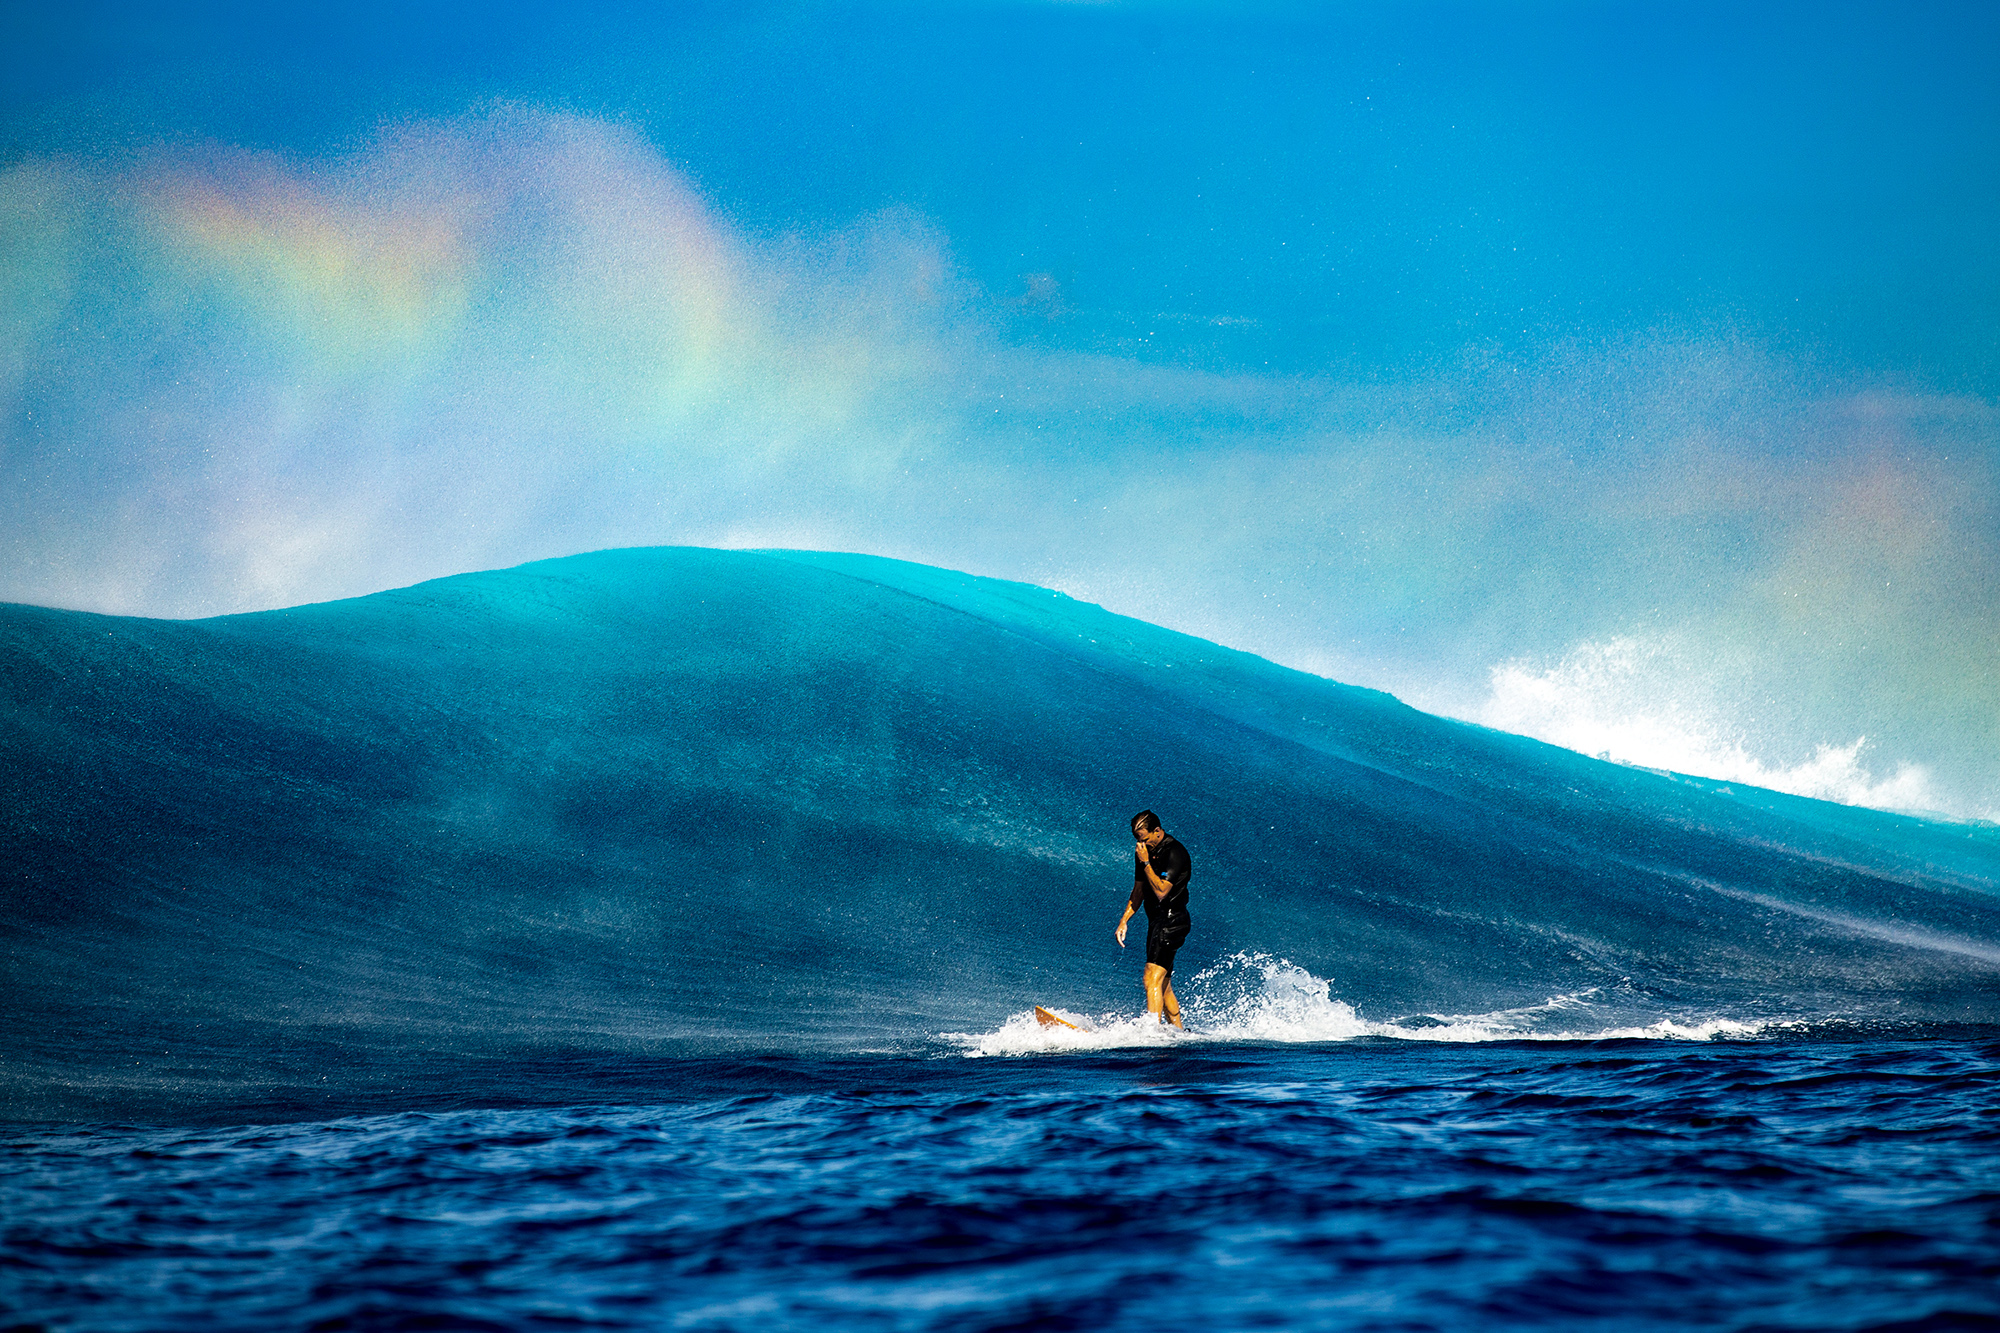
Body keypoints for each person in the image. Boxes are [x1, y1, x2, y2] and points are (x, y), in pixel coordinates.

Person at [1114, 810, 1191, 1028]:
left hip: (1172, 920)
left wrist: (1146, 863)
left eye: (1145, 839)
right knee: (1163, 984)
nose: (1141, 844)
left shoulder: (1175, 852)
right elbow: (1138, 890)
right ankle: (1177, 1031)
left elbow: (1161, 892)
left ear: (1157, 831)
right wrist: (1124, 920)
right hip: (1156, 921)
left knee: (1151, 977)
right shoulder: (1144, 850)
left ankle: (1152, 1034)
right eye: (1138, 840)